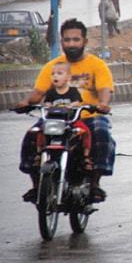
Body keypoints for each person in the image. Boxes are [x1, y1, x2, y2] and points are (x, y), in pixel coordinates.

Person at [14, 18, 115, 204]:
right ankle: (37, 187)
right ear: (62, 42)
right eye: (67, 40)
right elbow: (38, 93)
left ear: (84, 41)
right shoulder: (52, 67)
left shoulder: (97, 65)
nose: (71, 44)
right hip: (57, 118)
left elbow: (104, 89)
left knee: (101, 132)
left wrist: (102, 104)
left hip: (87, 117)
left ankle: (94, 185)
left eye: (76, 40)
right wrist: (25, 102)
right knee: (32, 135)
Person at [38, 62, 93, 171]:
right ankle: (39, 153)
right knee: (39, 131)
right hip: (53, 122)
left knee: (85, 130)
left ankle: (86, 155)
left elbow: (78, 102)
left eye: (59, 73)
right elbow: (46, 103)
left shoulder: (73, 91)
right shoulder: (50, 92)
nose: (55, 76)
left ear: (68, 77)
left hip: (70, 121)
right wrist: (47, 105)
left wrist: (71, 106)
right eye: (53, 74)